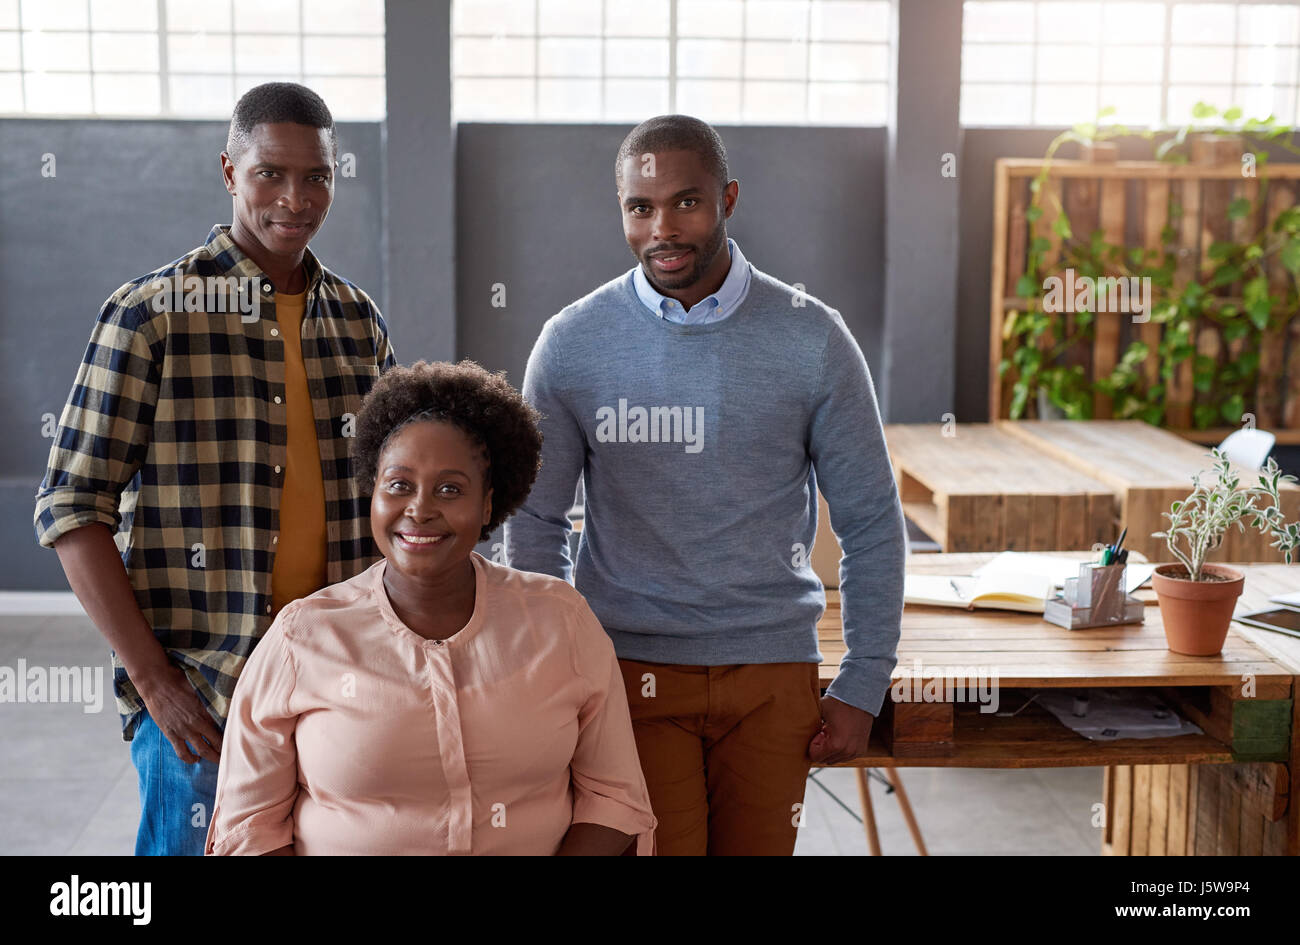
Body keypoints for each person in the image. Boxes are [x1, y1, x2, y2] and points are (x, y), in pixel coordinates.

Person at [504, 114, 906, 856]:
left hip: (773, 673)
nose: (663, 227)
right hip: (629, 672)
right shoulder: (571, 342)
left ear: (728, 198)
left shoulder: (813, 337)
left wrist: (863, 679)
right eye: (639, 207)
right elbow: (535, 520)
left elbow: (874, 520)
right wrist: (556, 662)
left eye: (686, 202)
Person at [33, 82, 395, 856]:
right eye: (270, 173)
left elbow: (391, 499)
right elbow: (72, 506)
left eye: (318, 176)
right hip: (204, 696)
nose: (295, 197)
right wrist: (156, 682)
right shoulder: (151, 313)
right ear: (229, 171)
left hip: (341, 689)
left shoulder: (358, 322)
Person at [204, 360, 657, 855]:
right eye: (399, 485)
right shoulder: (301, 637)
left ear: (488, 505)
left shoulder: (561, 622)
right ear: (373, 493)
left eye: (450, 489)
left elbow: (611, 799)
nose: (419, 508)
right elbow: (249, 828)